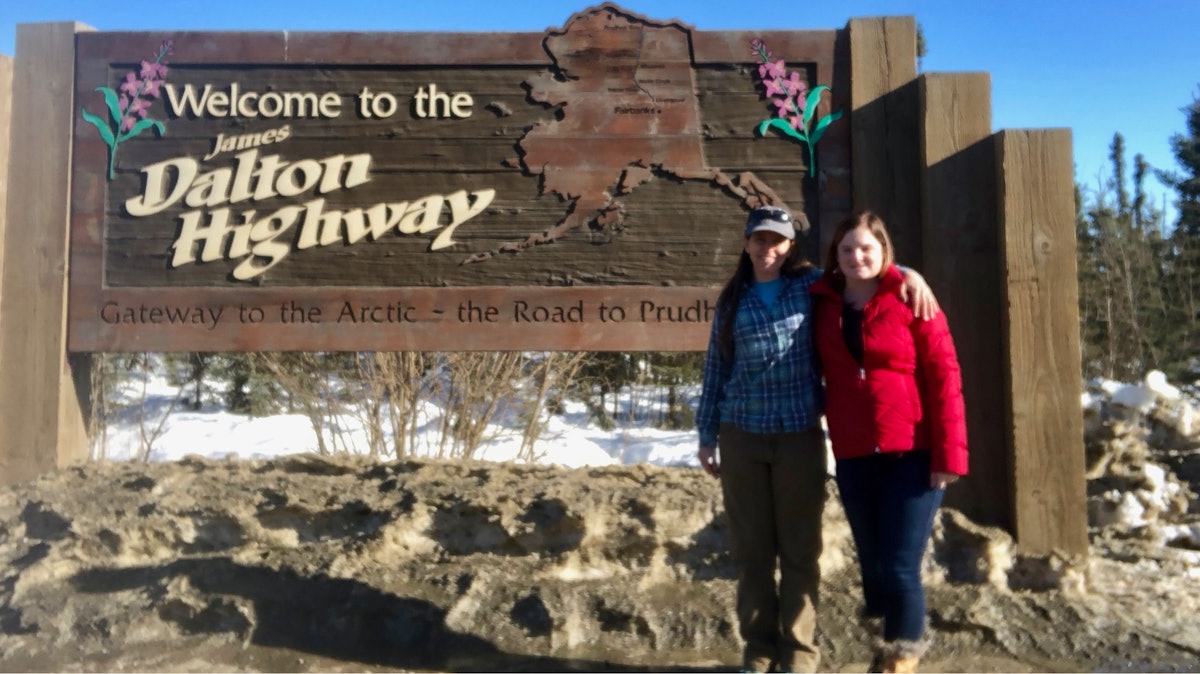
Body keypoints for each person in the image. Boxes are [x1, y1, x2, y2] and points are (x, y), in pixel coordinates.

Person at [695, 205, 938, 673]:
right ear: (746, 244)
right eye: (759, 240)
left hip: (799, 438)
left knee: (801, 553)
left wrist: (909, 273)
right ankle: (759, 650)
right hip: (742, 436)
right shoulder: (731, 302)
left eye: (777, 241)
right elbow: (715, 373)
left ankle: (800, 655)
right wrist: (706, 435)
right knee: (752, 553)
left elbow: (865, 266)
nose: (767, 248)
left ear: (790, 247)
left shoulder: (812, 289)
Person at [809, 210, 967, 674]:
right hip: (855, 456)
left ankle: (902, 663)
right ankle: (884, 652)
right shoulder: (822, 301)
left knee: (900, 567)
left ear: (884, 252)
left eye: (867, 248)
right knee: (875, 568)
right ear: (834, 257)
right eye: (846, 249)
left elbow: (945, 376)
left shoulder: (910, 298)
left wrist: (949, 454)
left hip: (912, 454)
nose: (857, 256)